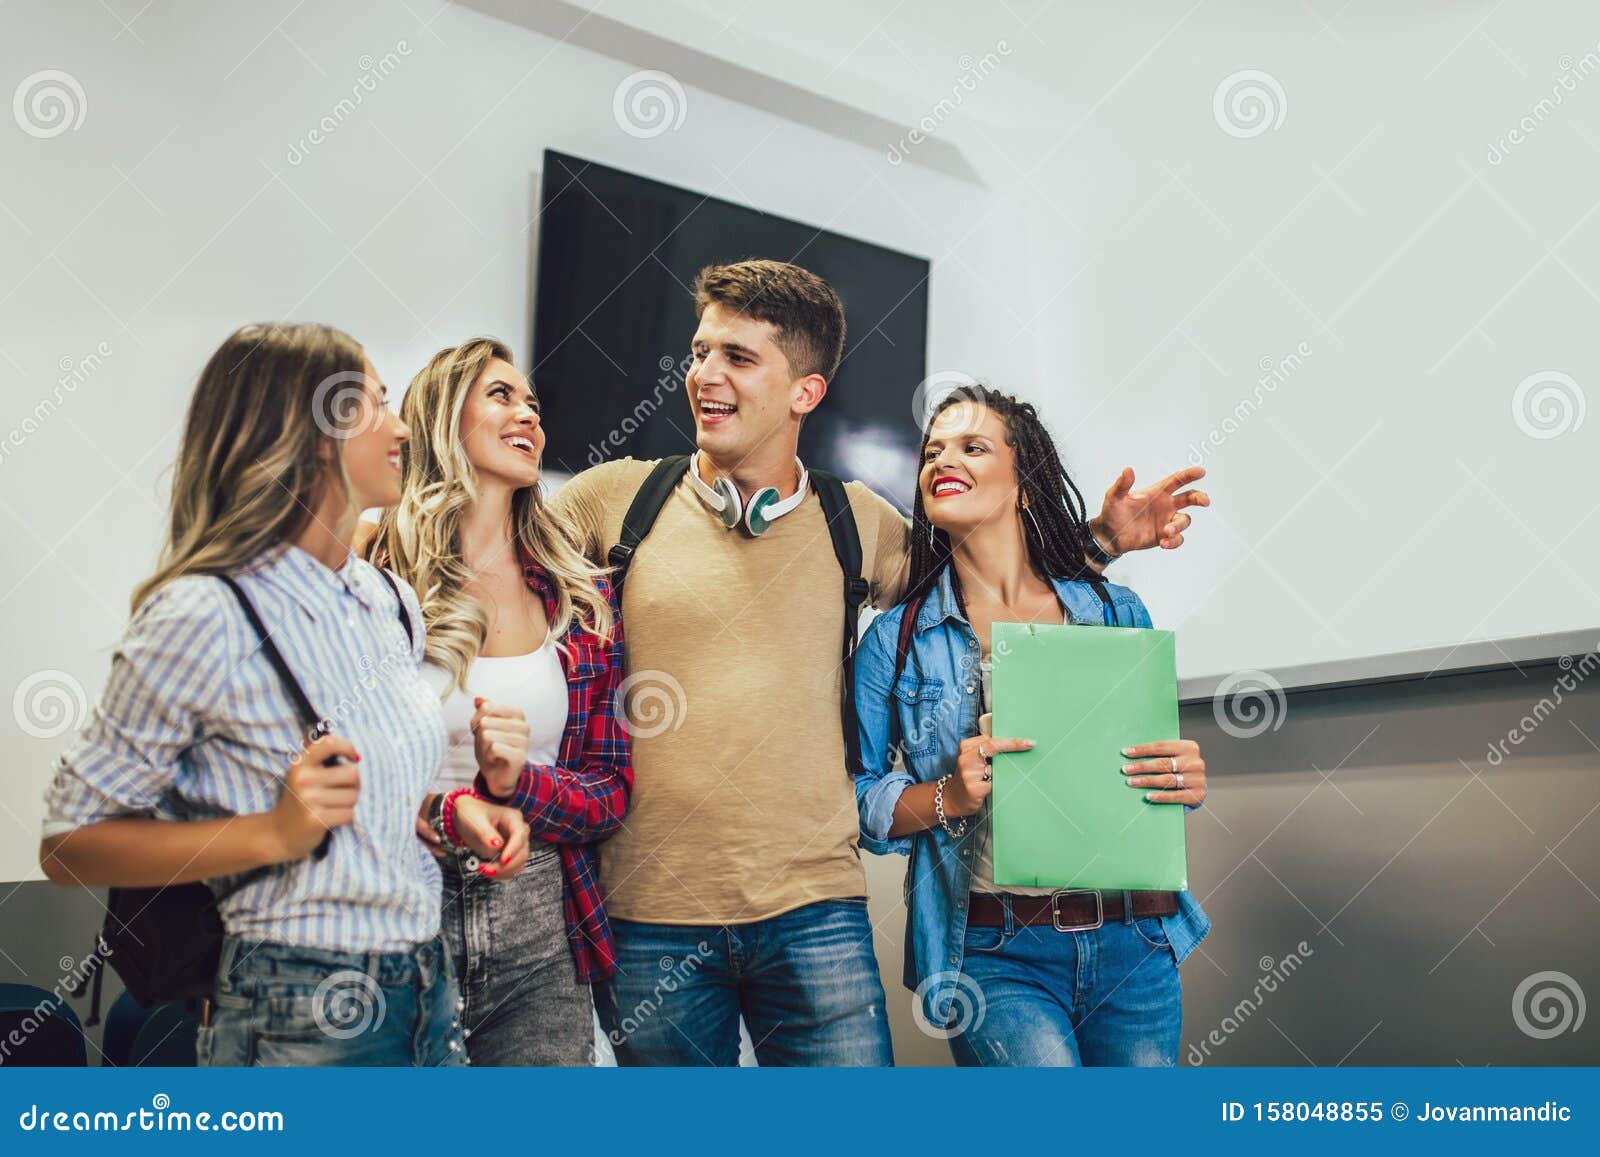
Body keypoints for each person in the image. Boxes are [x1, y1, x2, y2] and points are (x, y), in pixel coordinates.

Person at [551, 259, 1208, 1065]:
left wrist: (1096, 542)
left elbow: (983, 582)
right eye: (698, 351)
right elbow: (489, 567)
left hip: (817, 908)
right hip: (651, 910)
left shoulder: (854, 519)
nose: (702, 374)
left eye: (737, 356)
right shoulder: (611, 499)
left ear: (805, 392)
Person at [39, 323, 528, 1066]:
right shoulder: (205, 611)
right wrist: (273, 831)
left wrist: (449, 810)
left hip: (427, 990)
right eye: (374, 404)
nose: (401, 429)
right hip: (298, 1003)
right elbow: (69, 844)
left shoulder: (388, 600)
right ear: (309, 433)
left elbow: (363, 807)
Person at [854, 385, 1211, 1066]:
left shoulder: (1115, 610)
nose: (941, 460)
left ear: (1023, 483)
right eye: (932, 450)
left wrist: (1182, 777)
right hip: (994, 954)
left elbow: (1142, 771)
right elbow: (859, 798)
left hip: (1134, 941)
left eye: (971, 445)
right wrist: (946, 797)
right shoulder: (895, 641)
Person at [363, 337, 630, 1066]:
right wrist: (447, 806)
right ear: (445, 416)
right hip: (400, 904)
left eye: (534, 404)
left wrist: (519, 786)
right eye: (502, 395)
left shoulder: (580, 594)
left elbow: (611, 792)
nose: (529, 416)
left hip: (539, 918)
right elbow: (324, 751)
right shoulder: (374, 566)